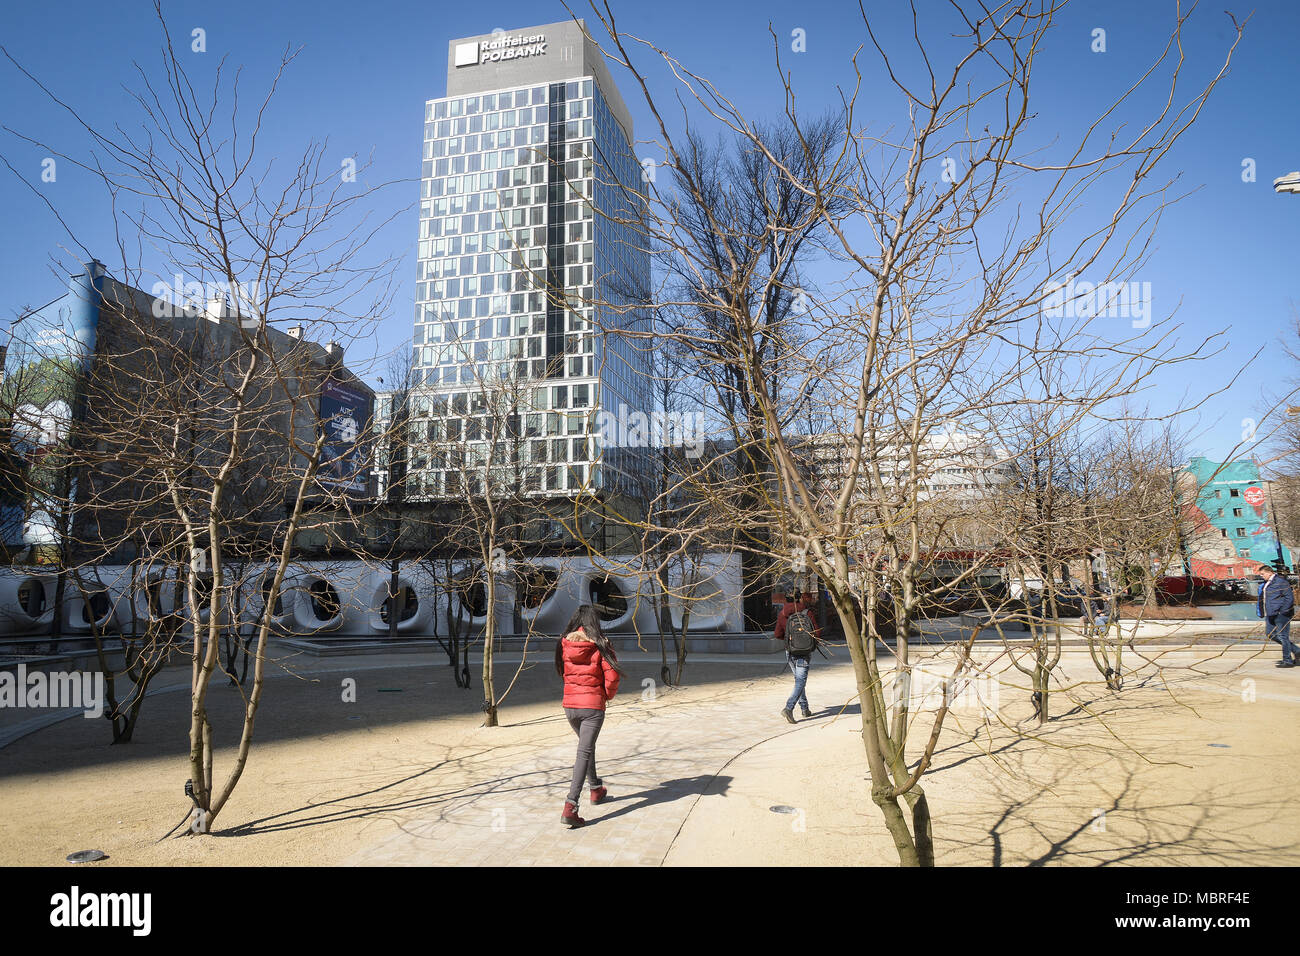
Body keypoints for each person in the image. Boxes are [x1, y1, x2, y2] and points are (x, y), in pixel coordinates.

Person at [555, 604, 623, 827]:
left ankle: (596, 789)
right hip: (592, 707)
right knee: (583, 752)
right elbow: (612, 677)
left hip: (570, 707)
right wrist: (606, 696)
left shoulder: (564, 643)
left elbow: (561, 670)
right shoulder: (601, 644)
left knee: (587, 747)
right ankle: (570, 806)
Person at [774, 593, 821, 723]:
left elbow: (777, 634)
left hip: (790, 651)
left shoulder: (782, 613)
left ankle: (805, 709)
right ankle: (789, 708)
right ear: (799, 598)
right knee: (800, 681)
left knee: (799, 681)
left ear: (786, 599)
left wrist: (788, 639)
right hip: (804, 651)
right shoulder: (806, 612)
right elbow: (817, 632)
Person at [1256, 566, 1296, 668]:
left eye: (1262, 574)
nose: (1261, 576)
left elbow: (1289, 598)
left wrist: (1282, 611)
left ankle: (1287, 661)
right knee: (1270, 634)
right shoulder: (1267, 583)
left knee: (1283, 636)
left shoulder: (1280, 582)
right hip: (1270, 613)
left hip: (1281, 614)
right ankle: (1297, 651)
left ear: (1269, 573)